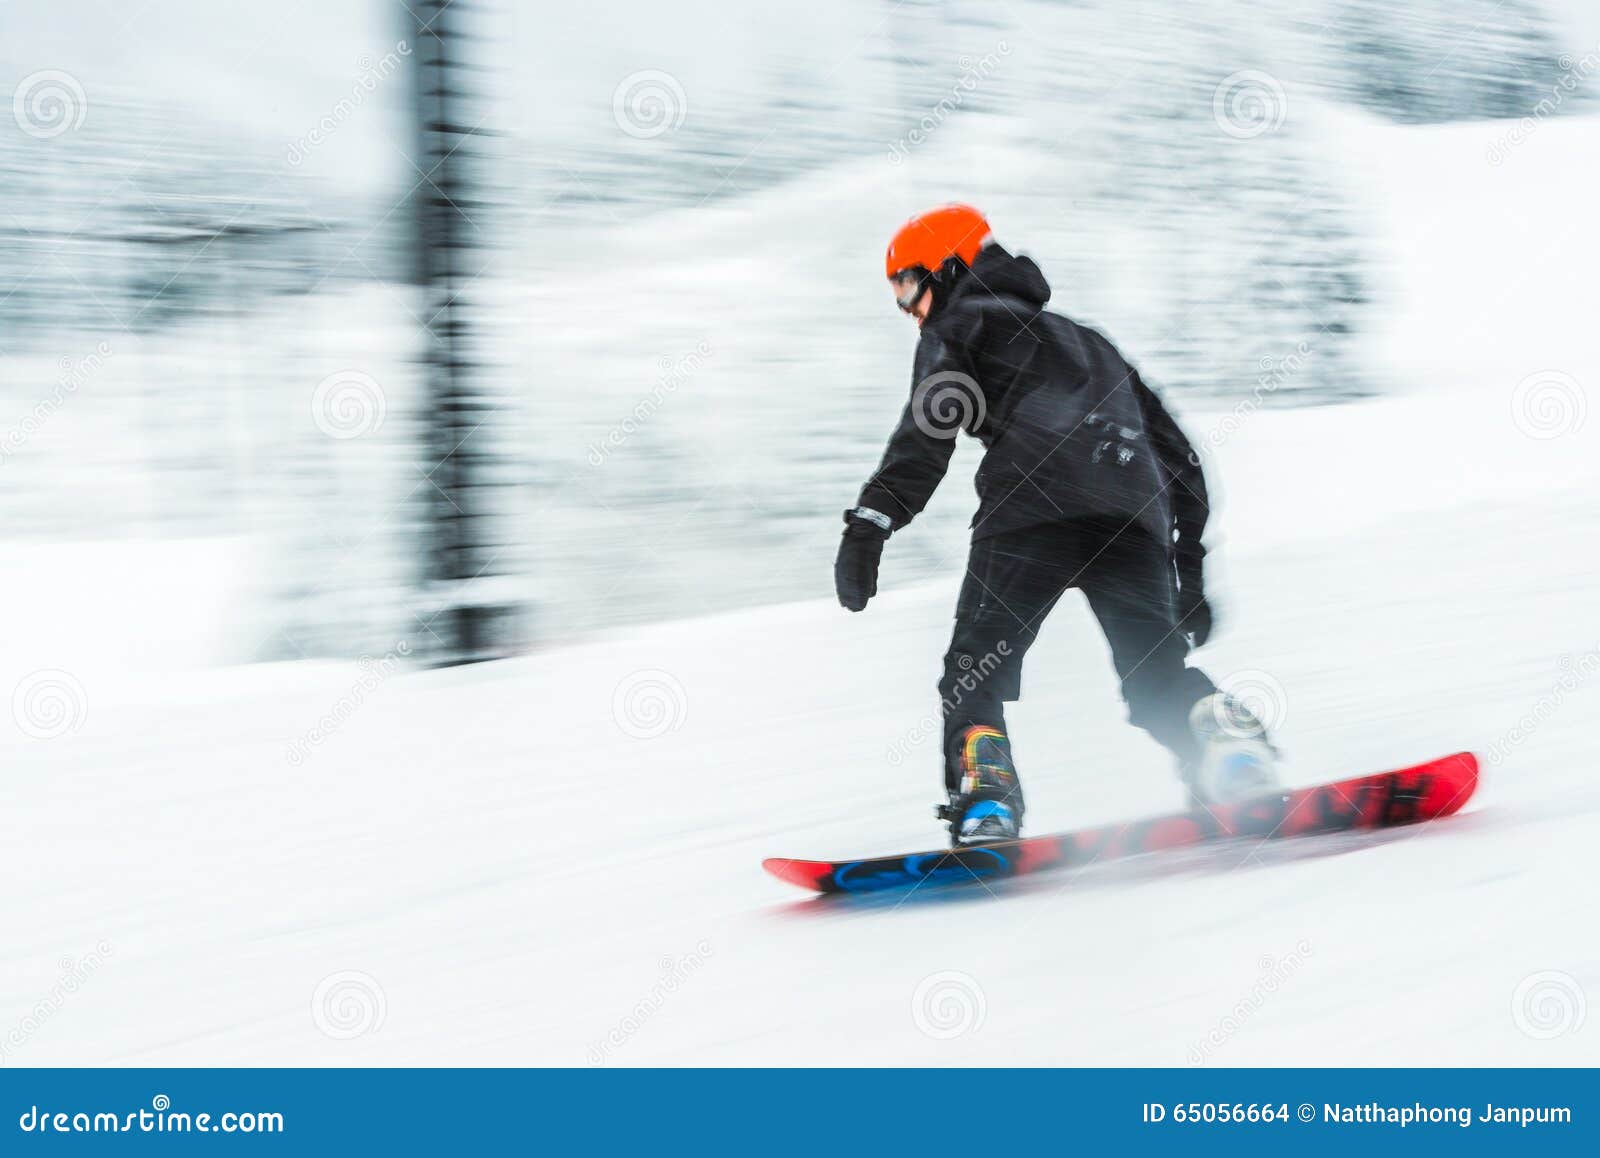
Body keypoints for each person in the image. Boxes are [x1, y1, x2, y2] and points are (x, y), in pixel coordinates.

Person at [835, 204, 1278, 845]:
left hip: (1029, 508)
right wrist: (1189, 565)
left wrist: (870, 523)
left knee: (972, 674)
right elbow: (1179, 456)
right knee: (1155, 673)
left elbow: (928, 430)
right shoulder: (1090, 342)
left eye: (907, 287)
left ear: (949, 267)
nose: (907, 310)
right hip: (1132, 515)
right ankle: (1227, 750)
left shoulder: (960, 325)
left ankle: (986, 804)